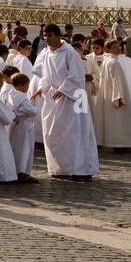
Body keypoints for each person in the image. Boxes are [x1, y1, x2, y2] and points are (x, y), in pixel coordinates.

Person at [34, 23, 99, 180]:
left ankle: (81, 169)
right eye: (44, 35)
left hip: (75, 96)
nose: (46, 38)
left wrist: (63, 89)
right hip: (53, 97)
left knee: (77, 132)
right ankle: (60, 168)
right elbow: (44, 75)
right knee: (54, 133)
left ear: (57, 35)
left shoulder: (70, 52)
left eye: (49, 35)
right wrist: (41, 88)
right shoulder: (45, 53)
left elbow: (77, 75)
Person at [96, 39, 131, 150]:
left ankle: (115, 143)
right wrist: (118, 96)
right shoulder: (113, 62)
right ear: (108, 49)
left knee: (113, 121)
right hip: (116, 97)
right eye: (114, 47)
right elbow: (115, 81)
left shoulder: (107, 61)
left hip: (109, 96)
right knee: (119, 121)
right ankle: (120, 144)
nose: (118, 48)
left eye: (118, 46)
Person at [4, 72, 39, 181]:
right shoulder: (21, 98)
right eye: (27, 85)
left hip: (14, 125)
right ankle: (22, 171)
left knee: (15, 147)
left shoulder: (11, 94)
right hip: (24, 125)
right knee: (24, 148)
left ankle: (15, 169)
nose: (28, 88)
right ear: (21, 85)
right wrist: (36, 109)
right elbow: (30, 111)